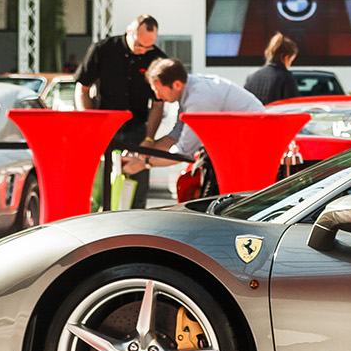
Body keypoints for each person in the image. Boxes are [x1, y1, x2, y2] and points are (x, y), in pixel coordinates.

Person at [75, 14, 165, 209]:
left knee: (136, 188)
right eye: (139, 44)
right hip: (104, 127)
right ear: (129, 32)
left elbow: (158, 104)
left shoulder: (156, 58)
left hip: (137, 129)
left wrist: (149, 139)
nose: (143, 51)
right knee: (98, 186)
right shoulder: (103, 50)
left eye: (148, 47)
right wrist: (91, 124)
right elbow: (82, 89)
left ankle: (136, 230)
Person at [120, 59, 263, 182]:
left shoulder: (198, 99)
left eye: (158, 90)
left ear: (176, 84)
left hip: (253, 147)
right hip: (240, 147)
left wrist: (144, 163)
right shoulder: (190, 90)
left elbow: (183, 152)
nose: (157, 96)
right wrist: (143, 150)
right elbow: (176, 136)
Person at [244, 33, 299, 104]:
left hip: (255, 114)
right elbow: (292, 106)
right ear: (286, 57)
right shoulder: (286, 77)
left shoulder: (252, 75)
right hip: (274, 115)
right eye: (291, 60)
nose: (290, 64)